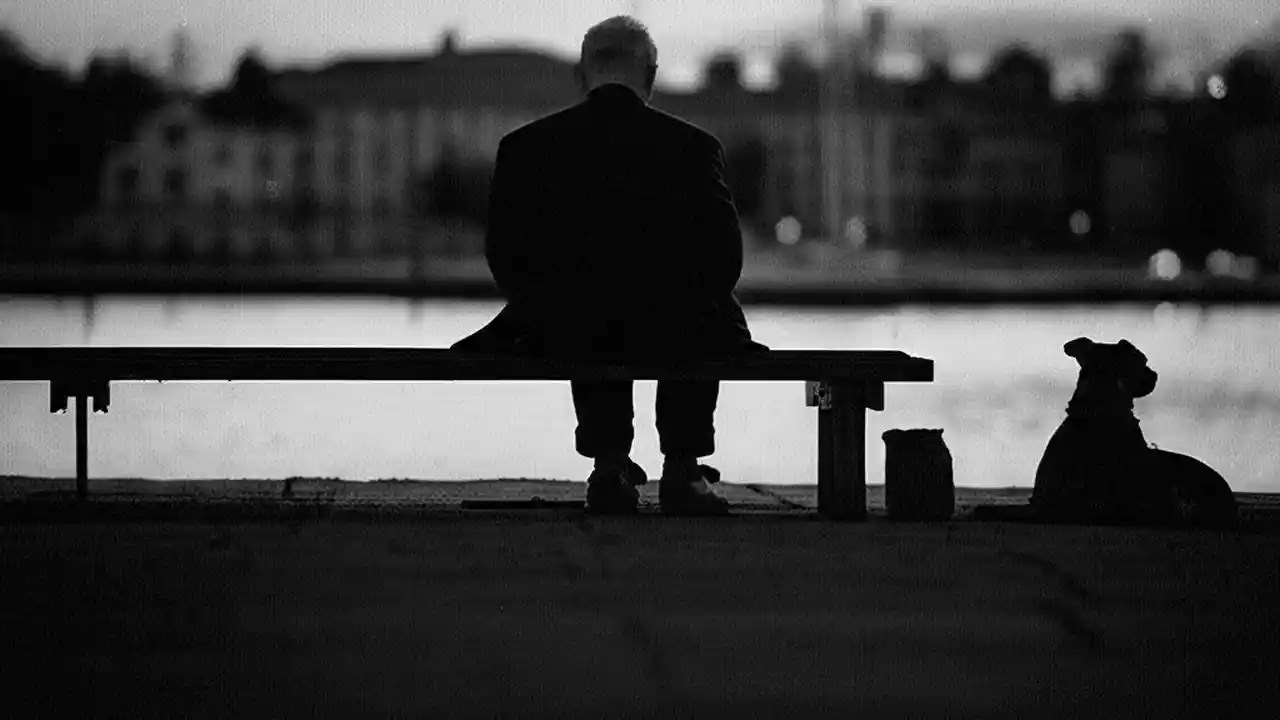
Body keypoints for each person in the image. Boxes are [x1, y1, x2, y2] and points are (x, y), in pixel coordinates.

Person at [452, 15, 767, 515]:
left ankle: (610, 466)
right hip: (675, 330)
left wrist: (544, 303)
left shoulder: (525, 147)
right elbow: (724, 259)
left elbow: (505, 256)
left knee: (586, 299)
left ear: (581, 75)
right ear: (653, 75)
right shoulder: (694, 147)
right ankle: (683, 470)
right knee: (707, 311)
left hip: (563, 330)